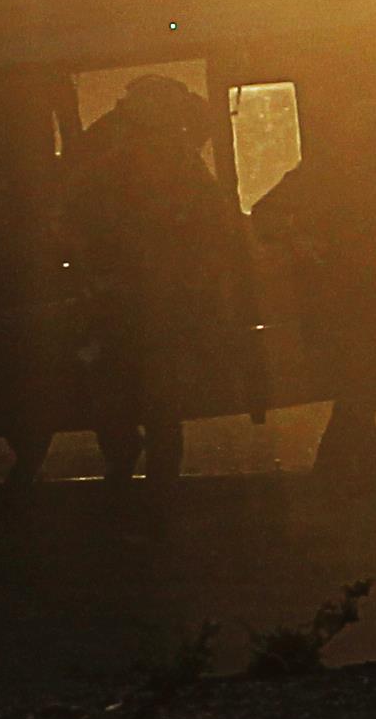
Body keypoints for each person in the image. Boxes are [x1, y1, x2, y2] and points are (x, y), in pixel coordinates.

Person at [56, 77, 262, 484]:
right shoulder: (108, 173)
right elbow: (67, 223)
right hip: (121, 308)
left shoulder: (182, 171)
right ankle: (136, 473)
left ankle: (152, 485)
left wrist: (196, 277)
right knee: (123, 402)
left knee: (155, 405)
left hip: (161, 309)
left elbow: (217, 229)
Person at [251, 99, 376, 479]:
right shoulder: (327, 176)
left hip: (375, 298)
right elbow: (266, 215)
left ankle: (364, 456)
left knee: (371, 381)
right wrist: (301, 242)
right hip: (348, 301)